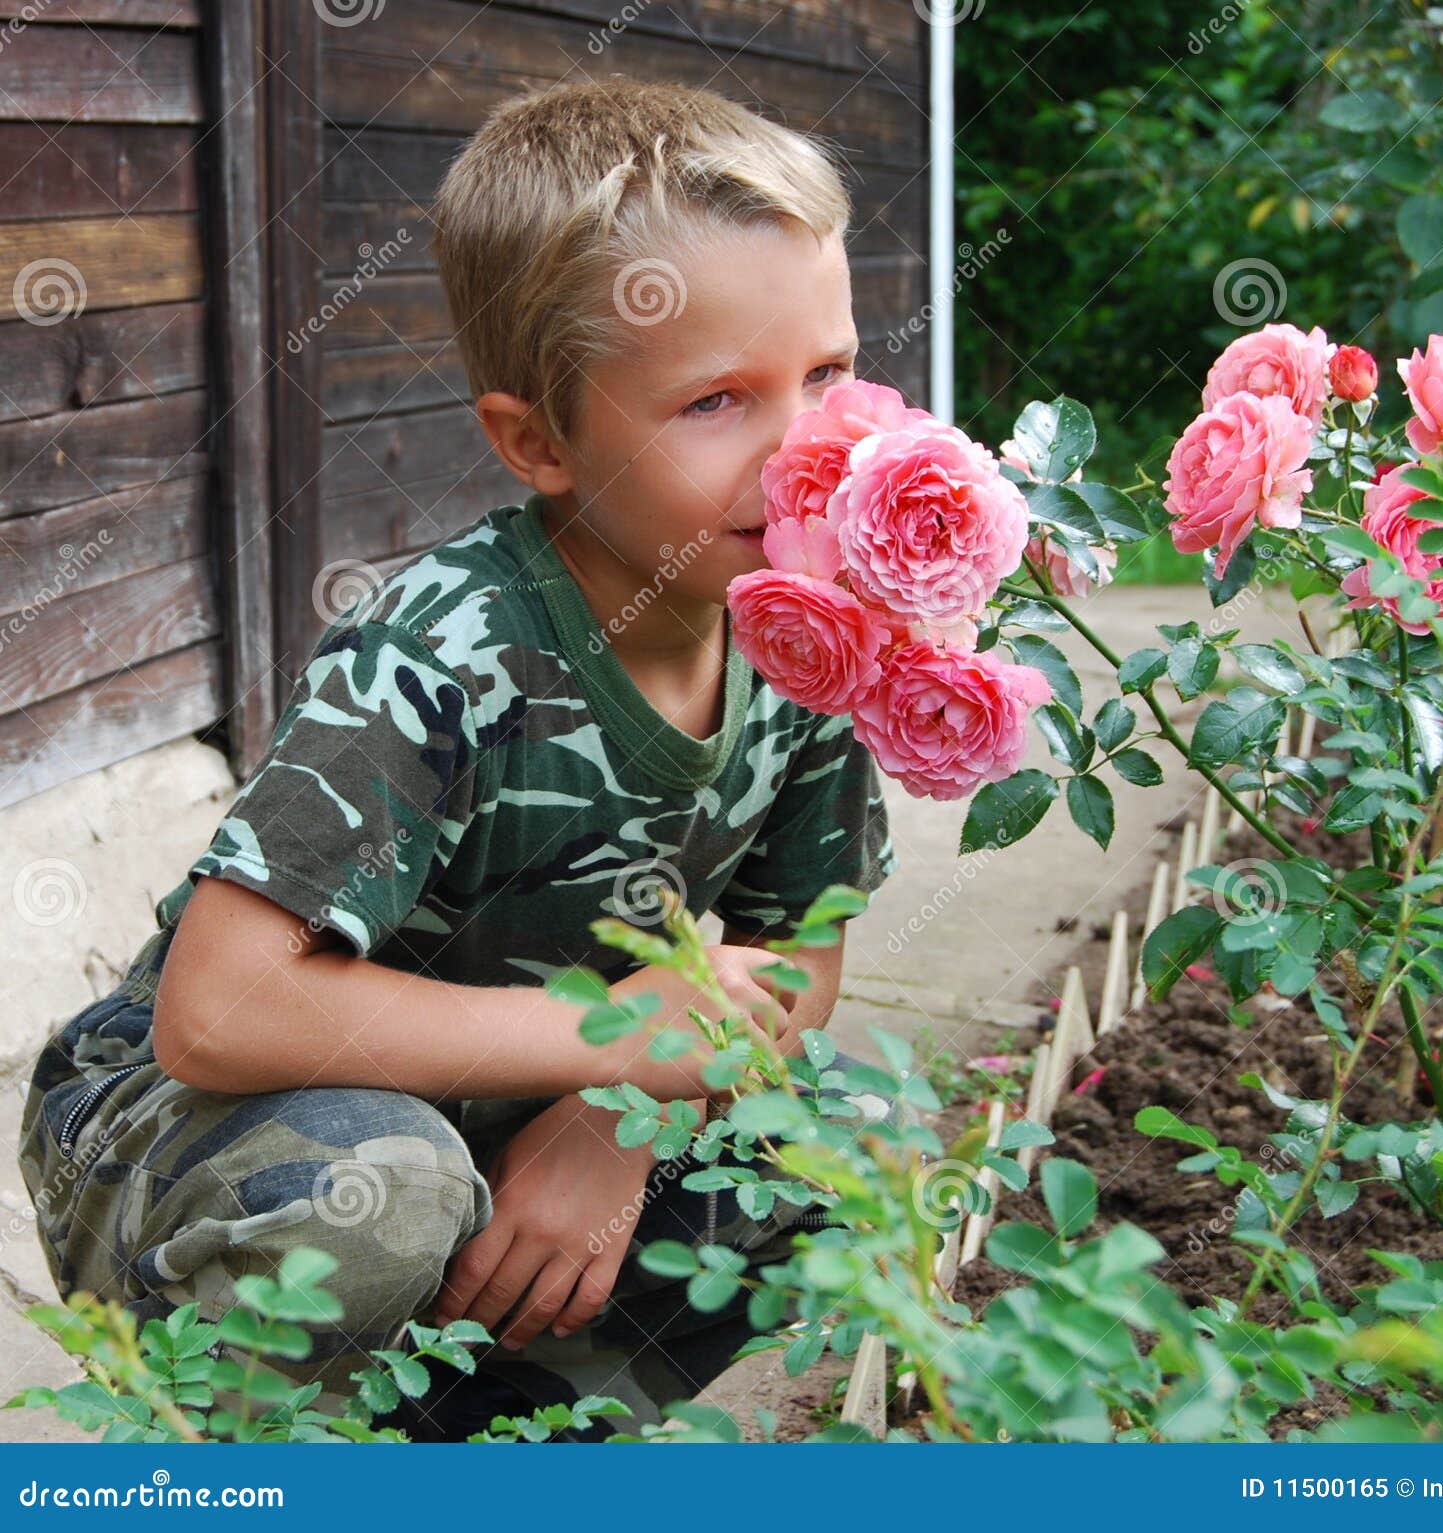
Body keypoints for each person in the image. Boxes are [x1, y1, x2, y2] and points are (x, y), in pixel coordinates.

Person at [16, 76, 899, 1441]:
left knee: (824, 1153)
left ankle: (480, 1441)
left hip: (505, 1106)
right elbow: (220, 1011)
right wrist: (616, 1041)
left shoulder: (811, 628)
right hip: (199, 1129)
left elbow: (799, 960)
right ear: (536, 440)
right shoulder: (443, 654)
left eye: (828, 375)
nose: (803, 456)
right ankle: (250, 1446)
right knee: (382, 1191)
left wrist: (619, 1115)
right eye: (718, 399)